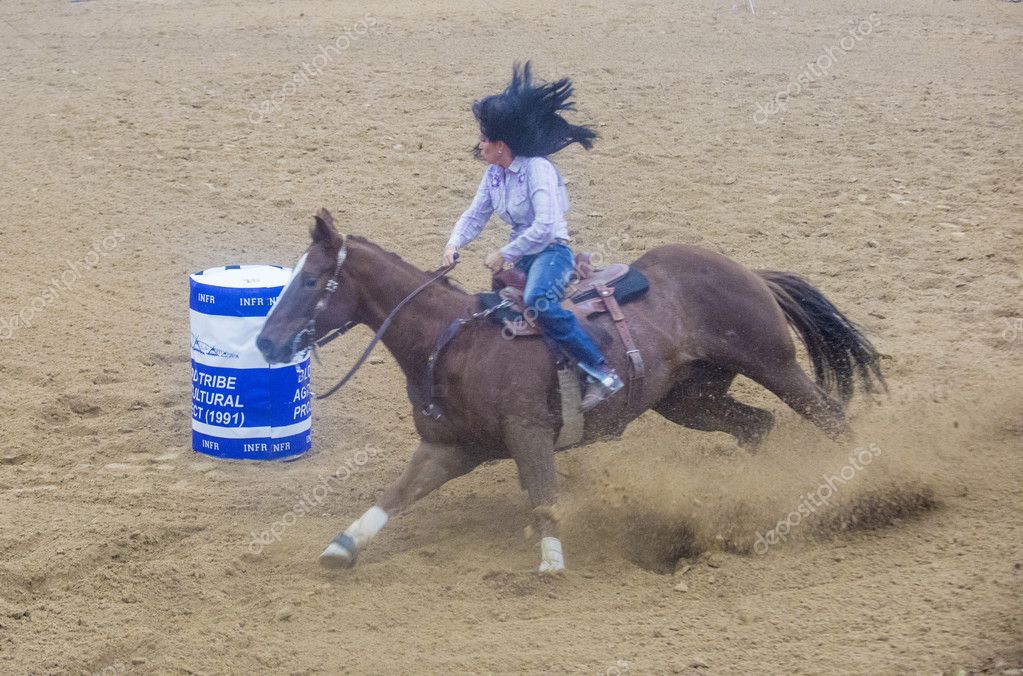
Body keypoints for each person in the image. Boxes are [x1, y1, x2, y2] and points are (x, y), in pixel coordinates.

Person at [443, 62, 623, 411]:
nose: (478, 145)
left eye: (483, 138)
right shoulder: (495, 174)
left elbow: (545, 226)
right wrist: (453, 243)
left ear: (501, 144)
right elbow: (475, 214)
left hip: (552, 252)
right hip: (524, 254)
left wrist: (505, 251)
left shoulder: (539, 170)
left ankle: (601, 371)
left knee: (540, 300)